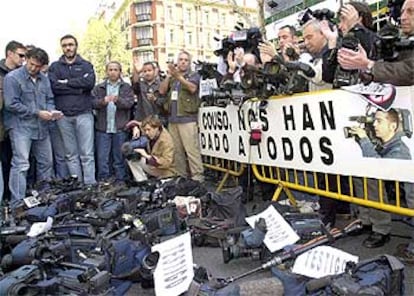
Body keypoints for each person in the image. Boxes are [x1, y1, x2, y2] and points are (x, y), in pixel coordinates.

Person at [339, 0, 414, 253]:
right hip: (385, 121)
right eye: (402, 10)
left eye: (410, 11)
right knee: (368, 170)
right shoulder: (393, 40)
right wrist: (366, 70)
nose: (402, 16)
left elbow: (407, 71)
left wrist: (369, 65)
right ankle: (370, 221)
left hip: (400, 128)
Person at [3, 47, 60, 205]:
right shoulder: (12, 78)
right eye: (31, 64)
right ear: (26, 59)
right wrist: (37, 112)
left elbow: (49, 98)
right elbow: (11, 104)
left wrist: (50, 111)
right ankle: (17, 203)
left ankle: (44, 198)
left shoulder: (44, 79)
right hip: (20, 127)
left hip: (42, 126)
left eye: (38, 66)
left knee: (46, 162)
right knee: (21, 164)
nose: (34, 68)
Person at [348, 109, 411, 248]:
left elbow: (377, 167)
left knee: (372, 180)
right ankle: (366, 221)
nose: (374, 125)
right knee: (360, 176)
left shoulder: (400, 149)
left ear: (393, 126)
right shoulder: (387, 144)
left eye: (379, 121)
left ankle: (381, 230)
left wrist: (364, 139)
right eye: (374, 121)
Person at [48, 34, 97, 187]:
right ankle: (78, 186)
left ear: (76, 46)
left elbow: (89, 83)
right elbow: (54, 87)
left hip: (84, 114)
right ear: (61, 48)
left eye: (71, 44)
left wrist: (66, 83)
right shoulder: (55, 67)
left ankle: (90, 185)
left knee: (87, 154)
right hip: (63, 115)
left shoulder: (86, 65)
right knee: (70, 154)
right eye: (65, 45)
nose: (68, 48)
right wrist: (78, 88)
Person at [158, 50, 204, 182]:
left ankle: (197, 177)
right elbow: (161, 91)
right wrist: (169, 75)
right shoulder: (172, 77)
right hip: (173, 118)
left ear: (189, 63)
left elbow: (193, 89)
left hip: (187, 119)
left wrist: (179, 77)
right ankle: (181, 176)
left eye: (186, 60)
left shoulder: (193, 75)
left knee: (191, 150)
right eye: (181, 60)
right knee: (177, 151)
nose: (183, 62)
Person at [92, 61, 134, 185]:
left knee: (119, 157)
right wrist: (102, 102)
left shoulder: (126, 87)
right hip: (103, 128)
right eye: (110, 69)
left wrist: (118, 100)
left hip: (120, 128)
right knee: (102, 157)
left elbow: (129, 103)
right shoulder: (99, 87)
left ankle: (121, 180)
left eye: (116, 69)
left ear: (120, 72)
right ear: (106, 72)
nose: (113, 72)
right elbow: (92, 103)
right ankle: (104, 180)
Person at [0, 41, 27, 206]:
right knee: (3, 163)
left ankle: (13, 199)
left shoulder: (21, 74)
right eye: (21, 55)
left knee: (16, 162)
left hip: (18, 125)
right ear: (10, 54)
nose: (23, 59)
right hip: (2, 125)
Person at [125, 115, 175, 179]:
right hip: (153, 164)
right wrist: (135, 127)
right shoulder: (151, 129)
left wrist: (146, 156)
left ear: (157, 128)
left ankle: (147, 181)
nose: (146, 132)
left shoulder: (166, 141)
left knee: (137, 158)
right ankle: (142, 182)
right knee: (131, 157)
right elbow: (139, 124)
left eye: (148, 130)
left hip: (166, 171)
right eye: (145, 130)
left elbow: (166, 163)